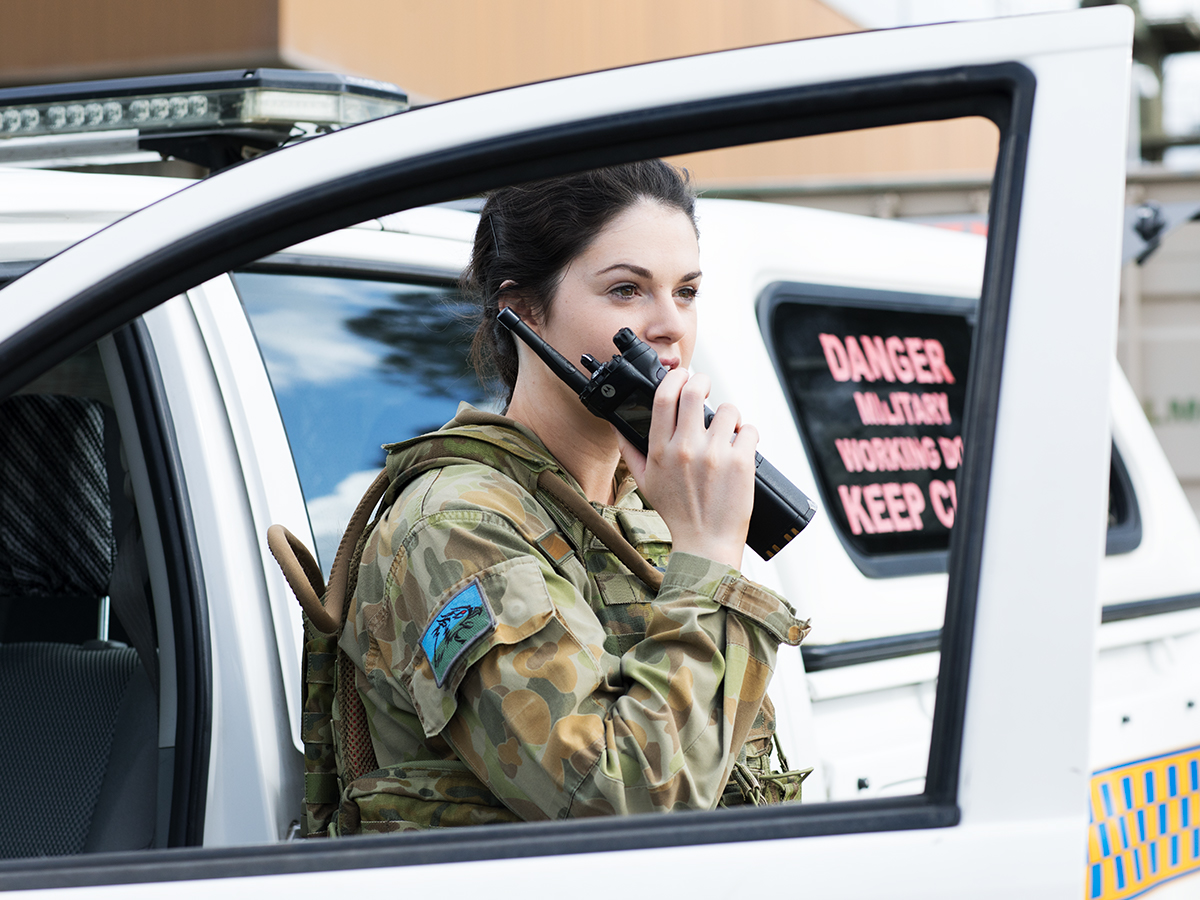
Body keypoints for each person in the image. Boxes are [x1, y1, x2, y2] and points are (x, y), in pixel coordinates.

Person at [336, 160, 810, 834]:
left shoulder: (648, 504)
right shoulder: (457, 526)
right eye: (626, 290)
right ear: (521, 311)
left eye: (687, 291)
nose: (671, 324)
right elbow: (621, 803)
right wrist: (706, 554)